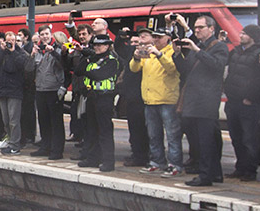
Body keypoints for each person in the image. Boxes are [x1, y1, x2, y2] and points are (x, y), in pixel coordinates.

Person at [172, 14, 229, 186]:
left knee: (206, 140)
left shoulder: (219, 47)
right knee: (202, 139)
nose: (196, 31)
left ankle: (205, 176)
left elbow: (217, 66)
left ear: (212, 29)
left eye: (200, 27)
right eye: (195, 27)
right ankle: (214, 173)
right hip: (193, 99)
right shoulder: (199, 47)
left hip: (207, 100)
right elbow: (186, 71)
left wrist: (196, 51)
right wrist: (177, 55)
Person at [131, 27, 183, 176]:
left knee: (172, 135)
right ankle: (157, 161)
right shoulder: (148, 52)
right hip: (150, 99)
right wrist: (136, 57)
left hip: (167, 99)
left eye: (159, 37)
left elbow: (173, 69)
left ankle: (175, 164)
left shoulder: (171, 51)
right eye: (154, 37)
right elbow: (134, 69)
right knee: (153, 134)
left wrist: (159, 54)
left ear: (167, 38)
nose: (156, 40)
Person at [223, 24, 260, 181]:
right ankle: (240, 167)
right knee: (236, 137)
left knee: (249, 138)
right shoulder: (235, 52)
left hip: (248, 102)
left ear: (252, 36)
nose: (241, 35)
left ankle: (251, 170)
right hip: (233, 100)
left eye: (244, 33)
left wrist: (250, 98)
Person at [75, 33, 120, 171]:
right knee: (91, 130)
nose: (97, 48)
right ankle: (93, 158)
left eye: (100, 45)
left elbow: (99, 75)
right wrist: (87, 60)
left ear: (107, 46)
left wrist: (89, 68)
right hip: (91, 97)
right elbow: (77, 71)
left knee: (105, 130)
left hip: (104, 98)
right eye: (95, 45)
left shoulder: (112, 60)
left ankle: (108, 161)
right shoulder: (92, 59)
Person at [32, 26, 67, 159]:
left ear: (51, 34)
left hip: (53, 89)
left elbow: (64, 64)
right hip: (40, 89)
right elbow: (30, 68)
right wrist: (32, 55)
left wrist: (53, 52)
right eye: (42, 34)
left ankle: (57, 150)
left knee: (56, 122)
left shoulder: (58, 48)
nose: (45, 36)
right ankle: (45, 146)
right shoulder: (38, 50)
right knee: (43, 120)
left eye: (47, 34)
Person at [115, 28, 149, 166]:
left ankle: (145, 156)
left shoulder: (151, 52)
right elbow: (118, 46)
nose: (136, 43)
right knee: (134, 129)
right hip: (131, 96)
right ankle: (137, 155)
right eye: (133, 41)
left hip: (145, 96)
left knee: (145, 130)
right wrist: (121, 34)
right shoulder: (130, 52)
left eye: (139, 40)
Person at [0, 31, 28, 155]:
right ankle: (9, 139)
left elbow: (22, 65)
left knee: (14, 119)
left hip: (14, 90)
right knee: (5, 119)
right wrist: (1, 50)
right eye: (8, 41)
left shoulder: (20, 53)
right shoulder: (1, 53)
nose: (10, 43)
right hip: (2, 89)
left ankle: (15, 144)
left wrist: (13, 51)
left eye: (12, 40)